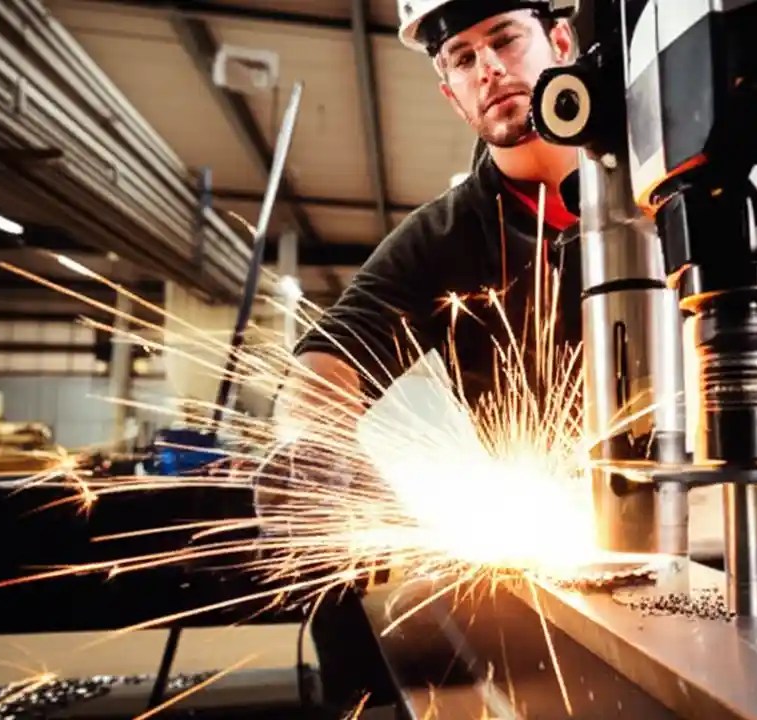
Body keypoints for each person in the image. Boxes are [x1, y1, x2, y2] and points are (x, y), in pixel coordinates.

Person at [264, 1, 585, 712]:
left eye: (505, 39)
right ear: (450, 93)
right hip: (553, 539)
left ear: (562, 40)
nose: (489, 68)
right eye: (463, 59)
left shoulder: (656, 187)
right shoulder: (445, 237)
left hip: (705, 512)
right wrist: (313, 448)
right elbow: (334, 352)